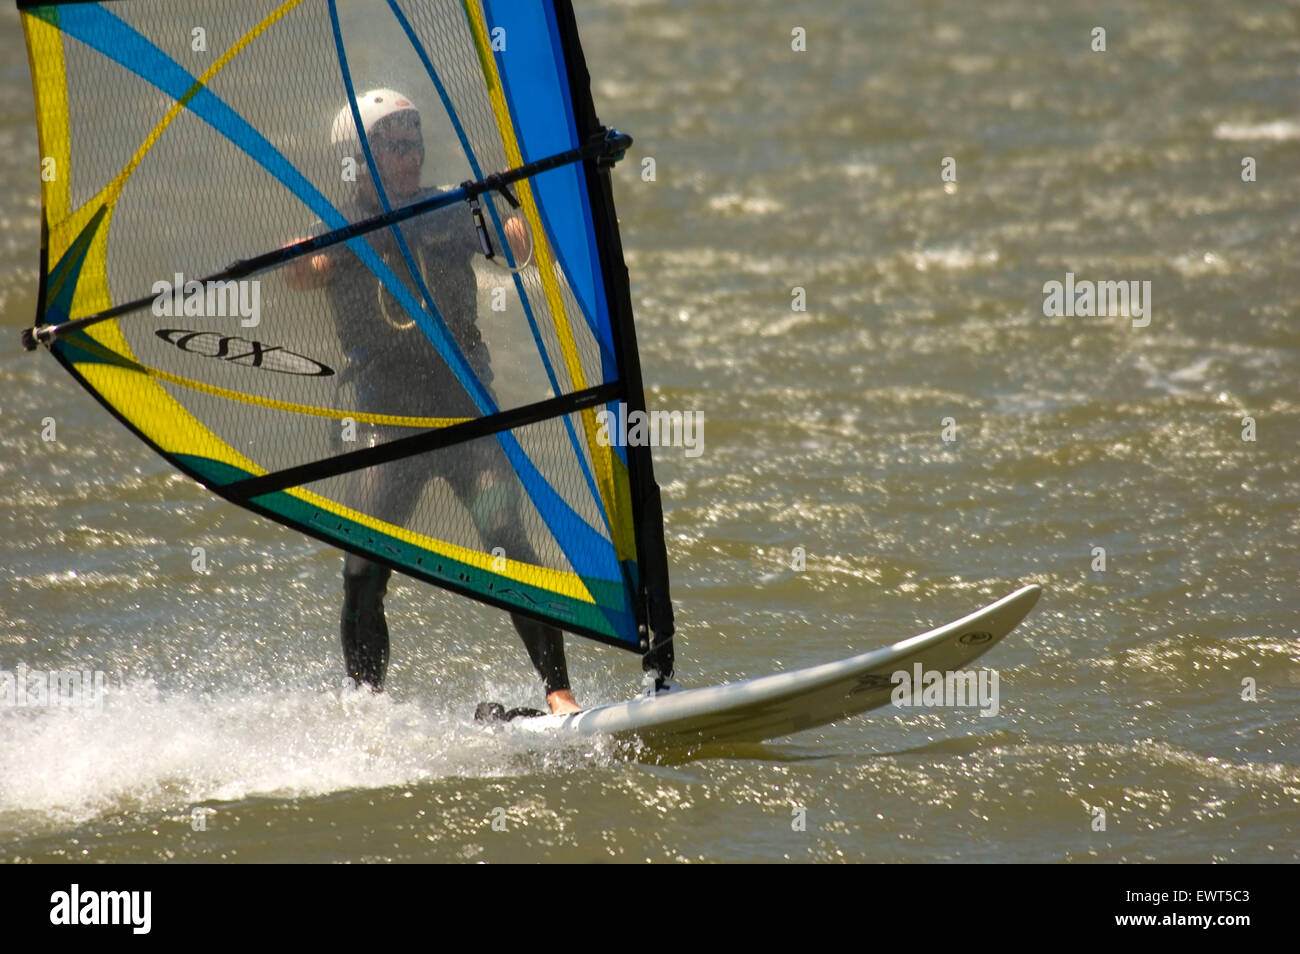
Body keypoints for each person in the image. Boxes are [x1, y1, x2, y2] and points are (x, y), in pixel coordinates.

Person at [286, 89, 580, 716]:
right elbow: (300, 271)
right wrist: (308, 258)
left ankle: (559, 695)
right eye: (396, 145)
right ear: (358, 159)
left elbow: (522, 250)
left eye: (415, 140)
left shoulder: (450, 212)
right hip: (382, 422)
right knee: (365, 568)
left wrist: (518, 215)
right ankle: (366, 710)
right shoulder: (338, 230)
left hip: (464, 413)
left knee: (506, 538)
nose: (412, 154)